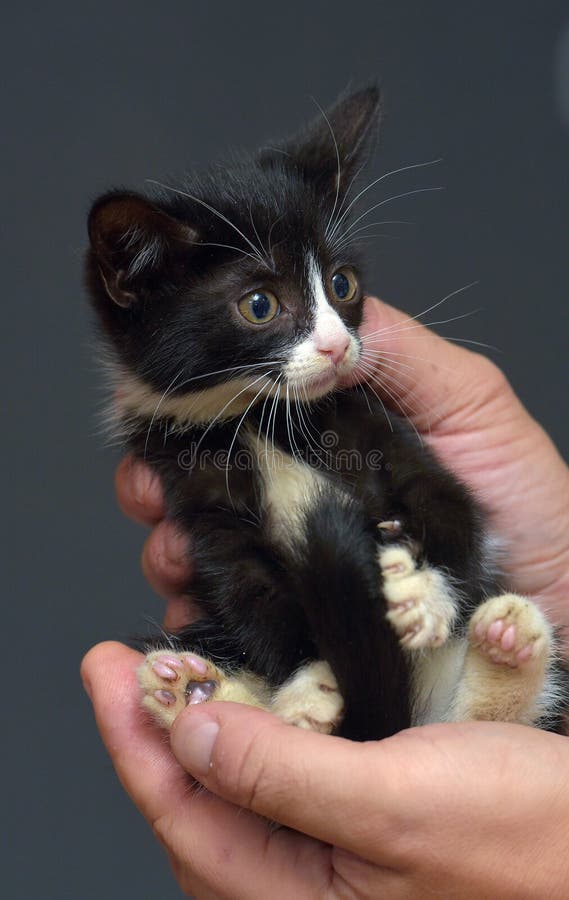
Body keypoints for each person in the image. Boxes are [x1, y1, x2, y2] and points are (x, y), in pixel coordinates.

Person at [81, 296, 569, 898]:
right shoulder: (194, 433)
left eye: (339, 285)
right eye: (261, 305)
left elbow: (441, 515)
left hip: (419, 658)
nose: (334, 334)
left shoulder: (345, 406)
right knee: (227, 606)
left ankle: (489, 699)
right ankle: (254, 702)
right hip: (343, 662)